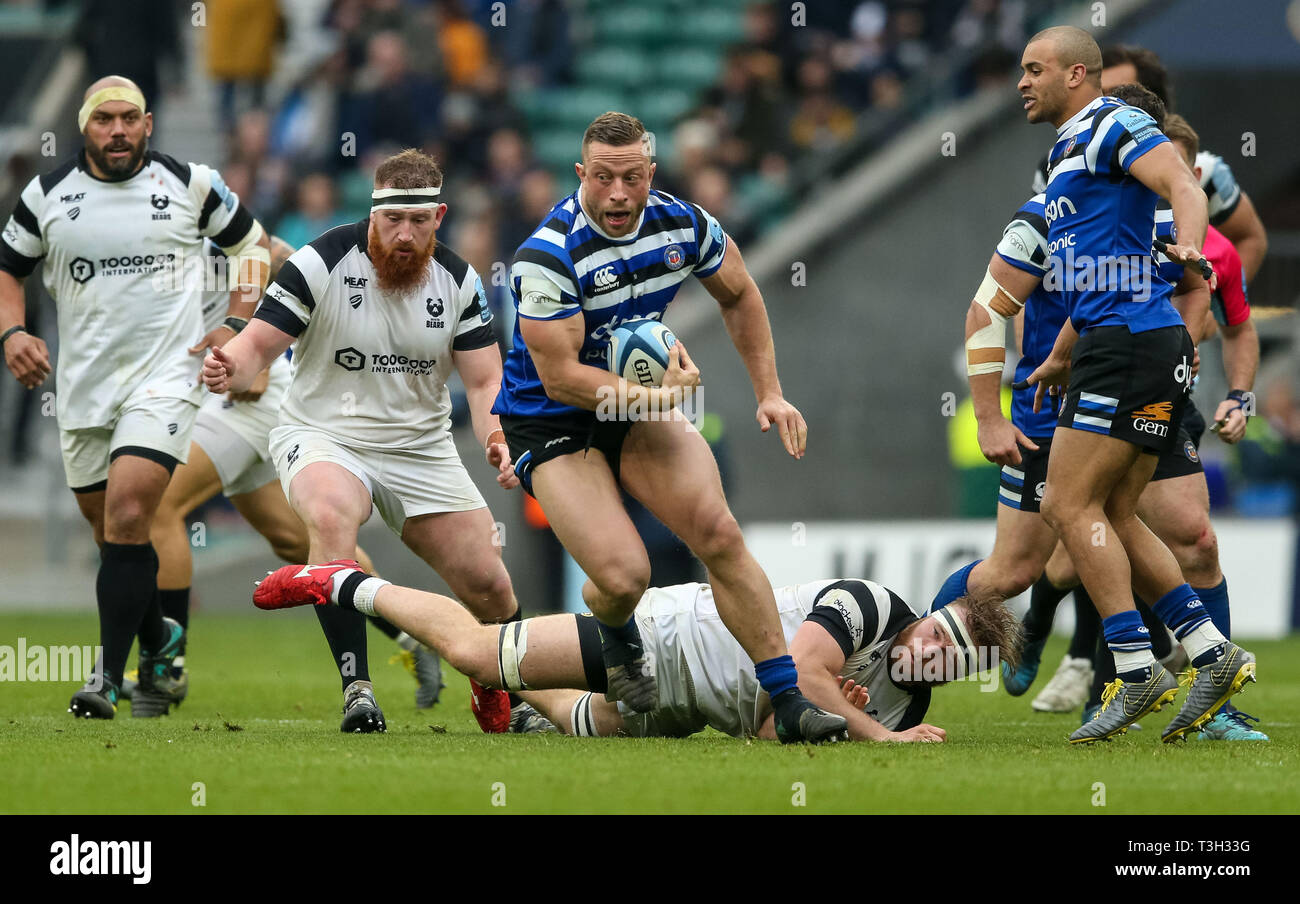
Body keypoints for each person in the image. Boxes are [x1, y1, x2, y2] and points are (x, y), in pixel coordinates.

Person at [490, 111, 845, 743]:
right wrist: (657, 394)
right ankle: (619, 634)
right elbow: (562, 379)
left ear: (651, 173)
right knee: (625, 578)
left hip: (634, 408)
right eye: (602, 178)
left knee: (717, 532)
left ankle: (788, 697)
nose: (618, 194)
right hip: (550, 420)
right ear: (581, 175)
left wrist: (771, 394)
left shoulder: (683, 223)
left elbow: (738, 293)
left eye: (632, 178)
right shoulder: (545, 253)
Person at [202, 148, 542, 734]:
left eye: (418, 221)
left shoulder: (459, 280)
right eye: (392, 221)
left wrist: (496, 435)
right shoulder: (319, 261)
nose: (404, 236)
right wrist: (228, 362)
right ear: (373, 212)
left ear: (439, 216)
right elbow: (257, 345)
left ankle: (507, 689)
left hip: (420, 448)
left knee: (490, 584)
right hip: (322, 434)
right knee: (332, 519)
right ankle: (359, 690)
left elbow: (485, 379)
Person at [0, 76, 271, 718]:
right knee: (111, 534)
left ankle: (104, 676)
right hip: (84, 388)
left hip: (167, 381)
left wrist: (236, 321)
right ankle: (159, 640)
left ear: (148, 124)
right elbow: (8, 270)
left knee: (128, 514)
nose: (117, 131)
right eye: (104, 120)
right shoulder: (45, 196)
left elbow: (252, 245)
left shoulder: (189, 184)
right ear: (84, 126)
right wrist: (12, 330)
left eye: (128, 119)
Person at [1016, 27, 1255, 744]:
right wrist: (1061, 355)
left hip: (1128, 343)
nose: (1022, 82)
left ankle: (1133, 663)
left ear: (1077, 73)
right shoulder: (1065, 151)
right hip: (1129, 342)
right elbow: (1095, 268)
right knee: (1118, 512)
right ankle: (1212, 654)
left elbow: (1185, 184)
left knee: (1064, 500)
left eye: (1034, 70)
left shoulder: (1114, 122)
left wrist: (1188, 241)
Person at [130, 236, 445, 719]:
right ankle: (413, 637)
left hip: (245, 400)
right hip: (205, 400)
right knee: (298, 542)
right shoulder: (142, 241)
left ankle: (165, 667)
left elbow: (290, 262)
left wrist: (250, 348)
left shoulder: (221, 225)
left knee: (159, 506)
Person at [252, 561, 1024, 743]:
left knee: (587, 727)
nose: (929, 658)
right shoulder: (872, 606)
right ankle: (343, 581)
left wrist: (830, 721)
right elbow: (807, 669)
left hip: (698, 713)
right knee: (475, 652)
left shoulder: (910, 700)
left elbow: (771, 730)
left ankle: (516, 699)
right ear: (927, 616)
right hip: (667, 637)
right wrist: (873, 733)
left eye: (948, 664)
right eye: (936, 638)